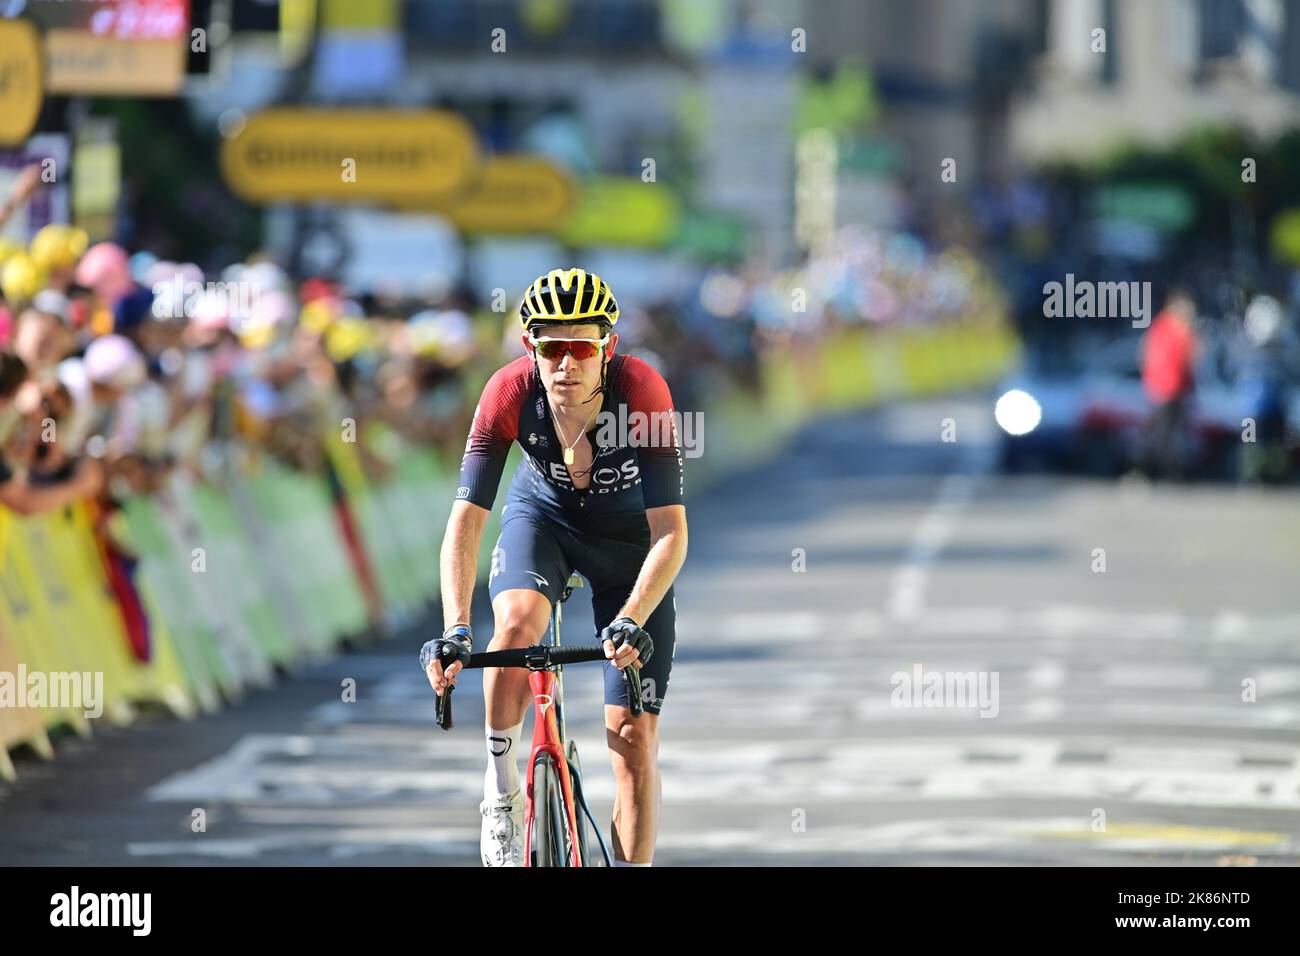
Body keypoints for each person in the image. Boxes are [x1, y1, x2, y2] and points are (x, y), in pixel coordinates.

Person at [422, 269, 687, 866]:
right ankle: (501, 789)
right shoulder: (508, 392)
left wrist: (631, 619)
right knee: (514, 628)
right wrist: (456, 628)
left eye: (581, 347)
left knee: (633, 739)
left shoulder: (642, 393)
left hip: (630, 548)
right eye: (551, 348)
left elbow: (671, 532)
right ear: (529, 349)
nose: (566, 363)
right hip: (542, 523)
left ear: (607, 349)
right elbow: (465, 522)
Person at [1140, 289, 1199, 480]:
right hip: (1166, 388)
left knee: (1170, 435)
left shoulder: (1165, 328)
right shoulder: (1170, 329)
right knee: (1164, 436)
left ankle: (1167, 473)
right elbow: (1186, 357)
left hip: (1171, 389)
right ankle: (1160, 473)